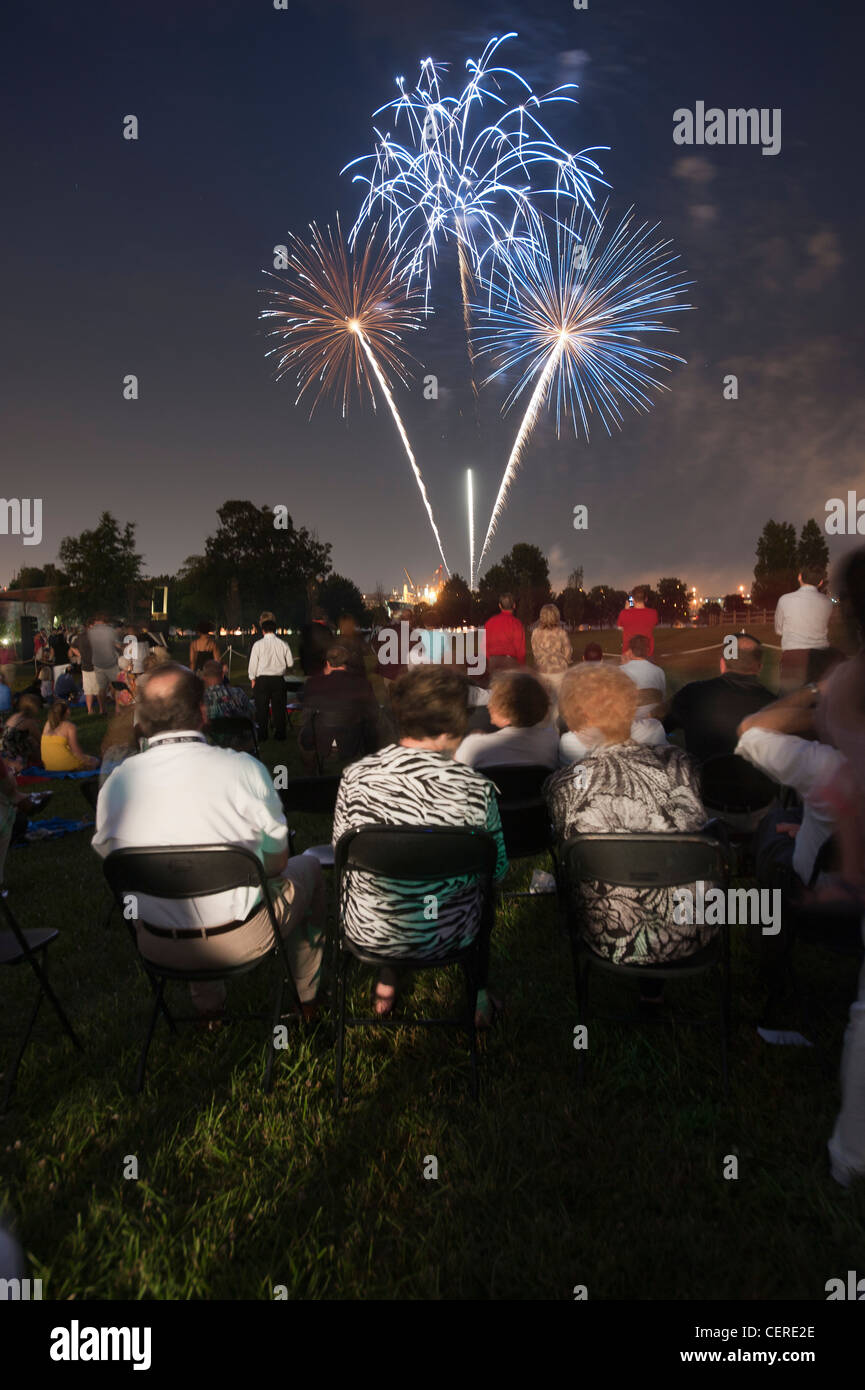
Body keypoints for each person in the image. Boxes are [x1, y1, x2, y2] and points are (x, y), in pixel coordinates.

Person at [92, 664, 325, 1020]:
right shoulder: (243, 769)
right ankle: (306, 1000)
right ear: (202, 712)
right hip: (242, 938)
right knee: (308, 866)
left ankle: (208, 1011)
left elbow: (116, 869)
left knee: (180, 884)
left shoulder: (116, 783)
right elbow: (277, 863)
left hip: (157, 943)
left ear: (142, 721)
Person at [332, 666, 509, 1025]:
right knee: (485, 894)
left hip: (372, 929)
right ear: (456, 722)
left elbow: (341, 855)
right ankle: (478, 997)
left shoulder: (355, 777)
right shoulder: (477, 788)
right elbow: (498, 871)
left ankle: (386, 980)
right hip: (454, 931)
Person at [545, 664, 713, 979]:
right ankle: (653, 992)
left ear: (576, 717)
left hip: (611, 936)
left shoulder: (564, 785)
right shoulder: (683, 765)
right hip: (694, 930)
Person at [664, 633, 774, 763]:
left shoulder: (692, 693)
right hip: (753, 776)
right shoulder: (774, 705)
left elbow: (659, 725)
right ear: (759, 667)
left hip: (702, 774)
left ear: (722, 664)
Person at [298, 642, 379, 770]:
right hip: (354, 741)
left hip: (320, 742)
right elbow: (374, 713)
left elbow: (306, 713)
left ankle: (312, 773)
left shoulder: (314, 683)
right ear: (347, 663)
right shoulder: (362, 683)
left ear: (328, 663)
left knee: (304, 730)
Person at [455, 670, 558, 769]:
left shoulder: (474, 746)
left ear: (508, 715)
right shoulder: (552, 740)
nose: (489, 706)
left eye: (495, 701)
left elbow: (456, 774)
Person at [774, 567, 834, 692]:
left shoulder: (785, 599)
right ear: (820, 582)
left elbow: (779, 630)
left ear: (799, 577)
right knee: (816, 698)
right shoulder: (827, 602)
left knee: (789, 698)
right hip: (820, 657)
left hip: (794, 656)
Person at [248, 619, 293, 740]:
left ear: (263, 631)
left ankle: (262, 735)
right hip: (278, 680)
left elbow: (253, 664)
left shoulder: (258, 644)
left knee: (261, 709)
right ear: (275, 630)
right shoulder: (283, 644)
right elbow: (290, 663)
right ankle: (280, 734)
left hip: (262, 680)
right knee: (279, 709)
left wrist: (252, 679)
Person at [531, 603, 573, 708]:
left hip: (542, 672)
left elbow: (535, 653)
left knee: (544, 704)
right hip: (559, 672)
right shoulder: (561, 633)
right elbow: (568, 653)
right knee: (558, 704)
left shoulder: (535, 633)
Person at [40, 700, 100, 772]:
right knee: (95, 760)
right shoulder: (70, 727)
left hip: (48, 765)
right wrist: (87, 761)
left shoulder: (47, 724)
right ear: (67, 712)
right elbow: (75, 750)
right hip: (65, 764)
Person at [620, 634, 666, 714]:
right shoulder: (659, 671)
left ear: (630, 651)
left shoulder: (620, 671)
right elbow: (662, 699)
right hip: (653, 718)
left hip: (629, 718)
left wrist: (623, 665)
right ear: (647, 651)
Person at [201, 659, 255, 724]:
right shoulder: (238, 693)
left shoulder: (200, 699)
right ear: (222, 675)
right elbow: (252, 711)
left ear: (204, 678)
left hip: (211, 730)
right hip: (239, 729)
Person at [484, 593, 526, 674]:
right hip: (509, 662)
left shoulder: (490, 622)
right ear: (514, 605)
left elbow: (484, 645)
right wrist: (521, 667)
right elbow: (520, 649)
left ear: (500, 606)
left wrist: (489, 661)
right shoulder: (516, 623)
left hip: (493, 661)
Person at [616, 586, 659, 657]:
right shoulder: (653, 613)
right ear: (646, 599)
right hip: (647, 653)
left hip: (628, 653)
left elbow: (621, 629)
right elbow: (653, 625)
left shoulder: (624, 613)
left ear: (632, 599)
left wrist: (626, 610)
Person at [2, 695, 43, 767]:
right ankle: (42, 763)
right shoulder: (29, 722)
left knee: (30, 740)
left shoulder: (15, 716)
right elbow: (40, 739)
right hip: (15, 754)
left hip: (6, 750)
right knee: (35, 744)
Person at [89, 614, 122, 701]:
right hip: (111, 663)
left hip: (97, 663)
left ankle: (102, 707)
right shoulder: (111, 630)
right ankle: (117, 707)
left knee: (101, 688)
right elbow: (118, 645)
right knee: (117, 686)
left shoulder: (90, 632)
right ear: (105, 621)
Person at [70, 622, 100, 715]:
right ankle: (97, 709)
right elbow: (72, 647)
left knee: (90, 690)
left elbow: (72, 647)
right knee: (95, 689)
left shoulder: (82, 636)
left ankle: (91, 710)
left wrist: (80, 654)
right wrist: (80, 654)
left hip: (88, 666)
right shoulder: (89, 637)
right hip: (92, 667)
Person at [299, 607, 333, 677]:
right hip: (321, 666)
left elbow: (302, 647)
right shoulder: (326, 630)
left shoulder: (306, 629)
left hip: (309, 665)